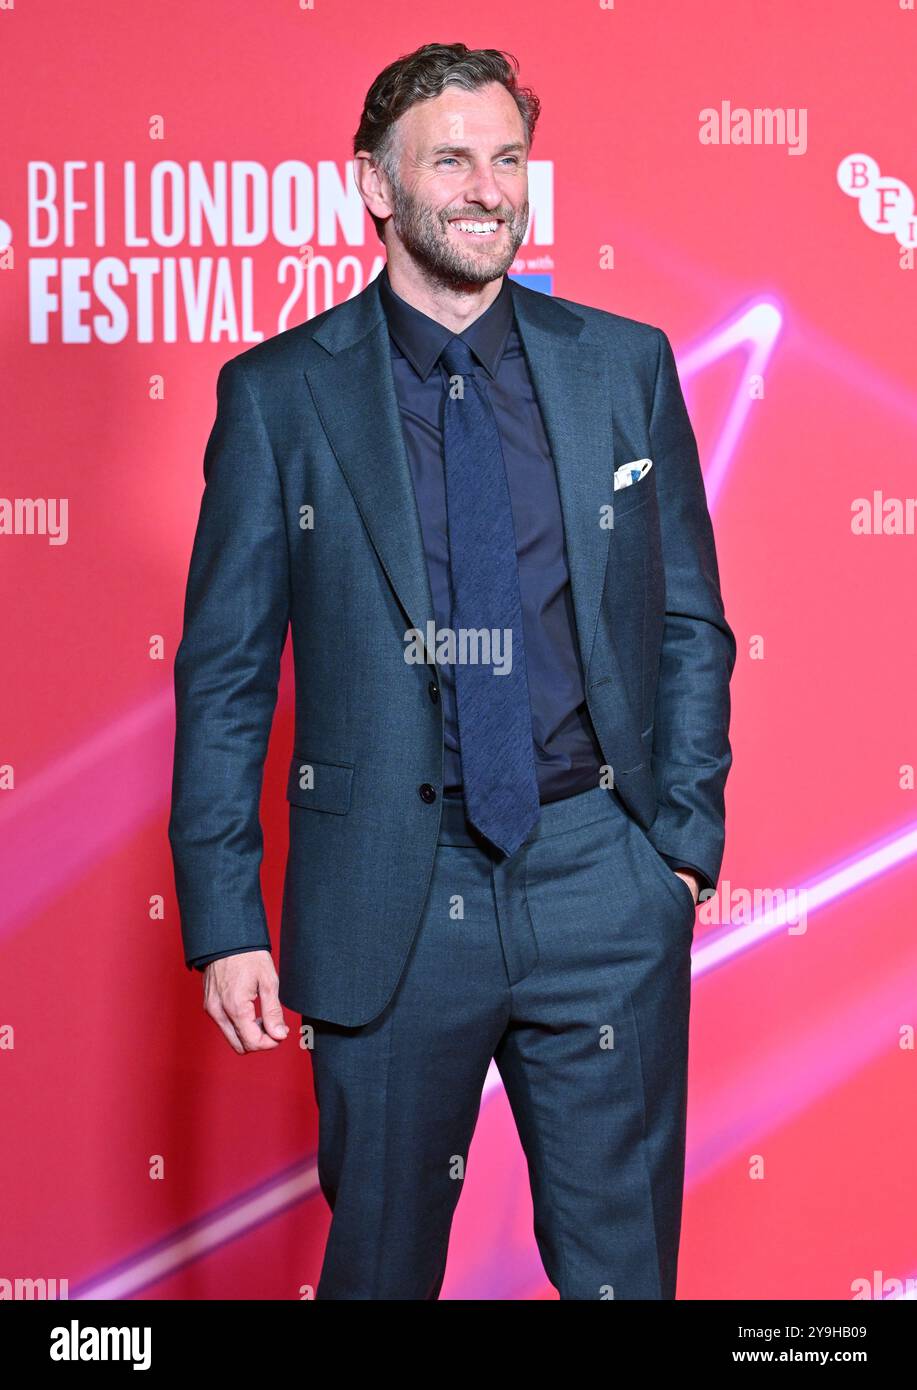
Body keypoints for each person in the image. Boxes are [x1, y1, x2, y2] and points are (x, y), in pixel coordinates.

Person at [168, 41, 736, 1300]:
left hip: (599, 876)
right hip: (389, 889)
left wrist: (675, 841)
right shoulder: (277, 398)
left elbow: (688, 620)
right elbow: (224, 678)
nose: (488, 190)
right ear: (376, 188)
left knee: (622, 1276)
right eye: (452, 161)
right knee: (378, 1273)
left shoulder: (621, 364)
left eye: (508, 158)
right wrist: (221, 917)